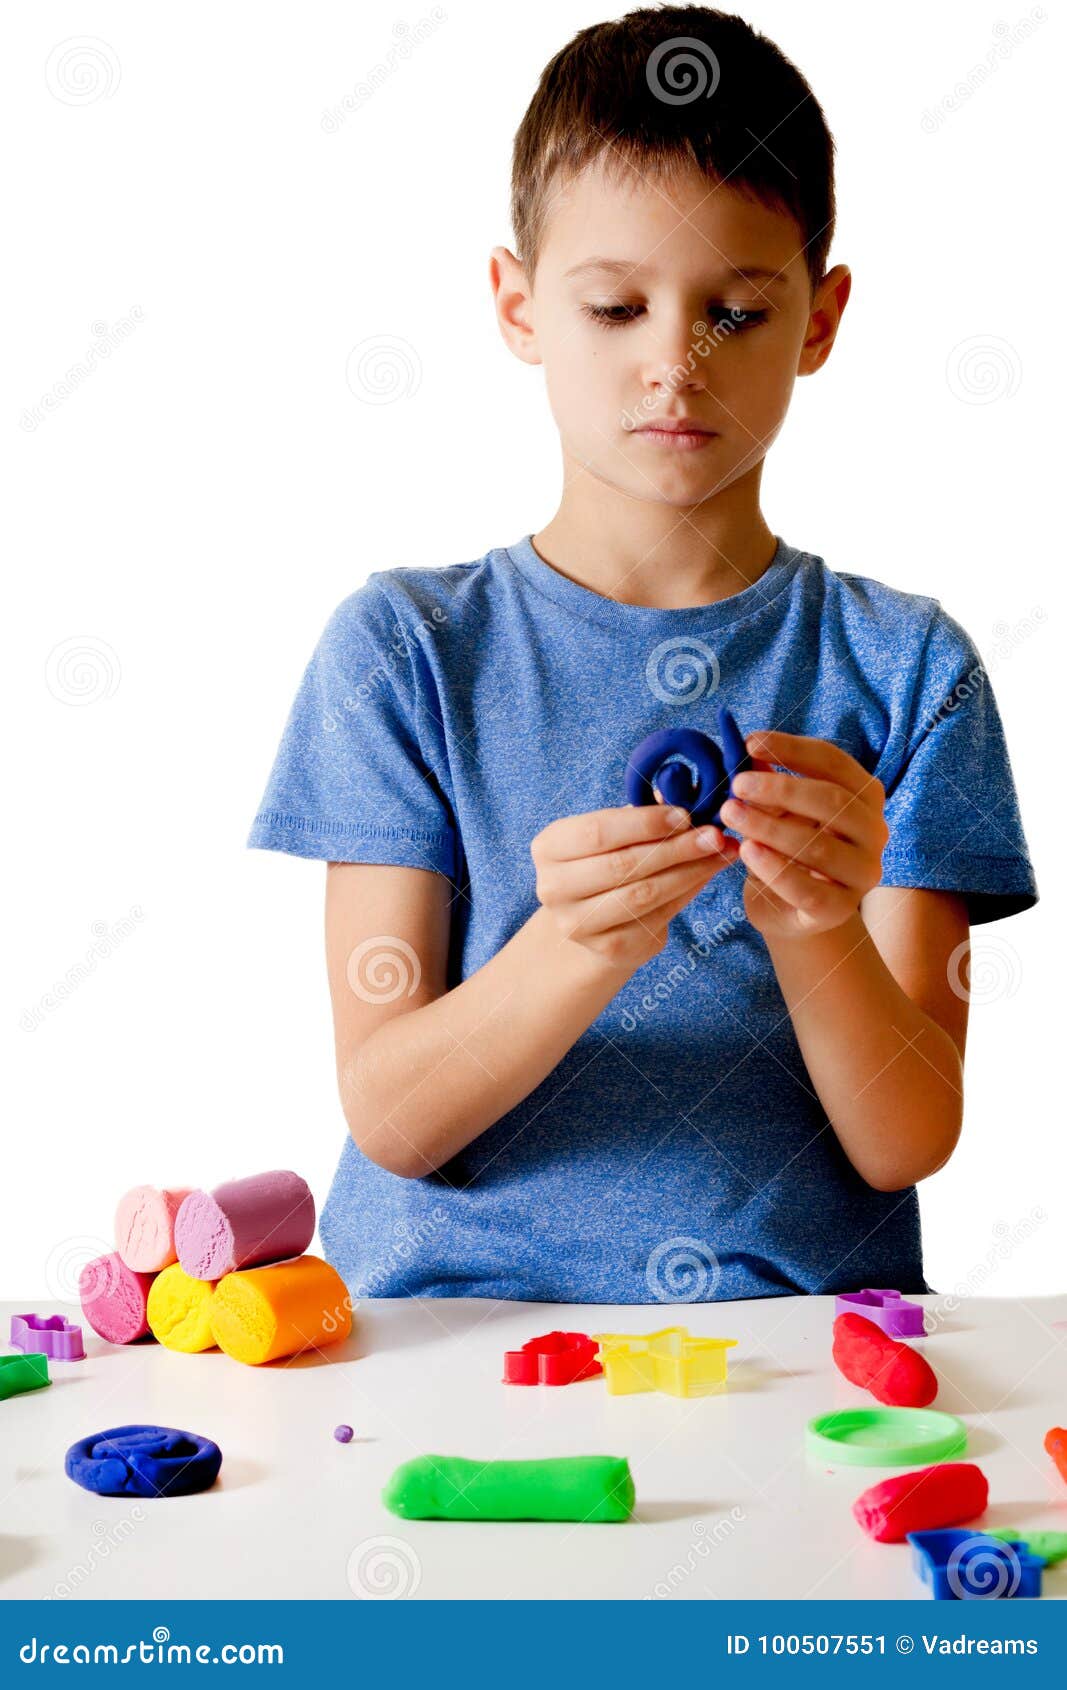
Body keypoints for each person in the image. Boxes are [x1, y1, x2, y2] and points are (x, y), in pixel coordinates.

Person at [247, 6, 1037, 1303]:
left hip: (795, 1350)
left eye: (734, 308)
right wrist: (576, 945)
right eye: (615, 304)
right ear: (518, 306)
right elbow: (392, 1111)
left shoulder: (911, 668)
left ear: (822, 321)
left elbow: (907, 1138)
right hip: (445, 1336)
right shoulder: (402, 651)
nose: (674, 361)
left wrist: (817, 921)